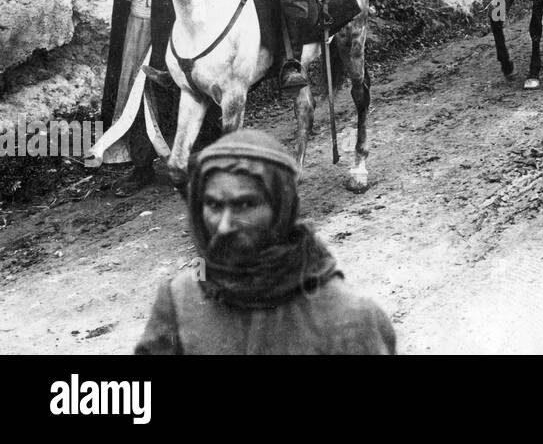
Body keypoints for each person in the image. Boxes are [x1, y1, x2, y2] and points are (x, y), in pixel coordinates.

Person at [135, 129, 396, 354]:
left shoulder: (349, 317)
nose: (224, 226)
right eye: (214, 205)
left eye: (245, 204)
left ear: (281, 208)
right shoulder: (178, 302)